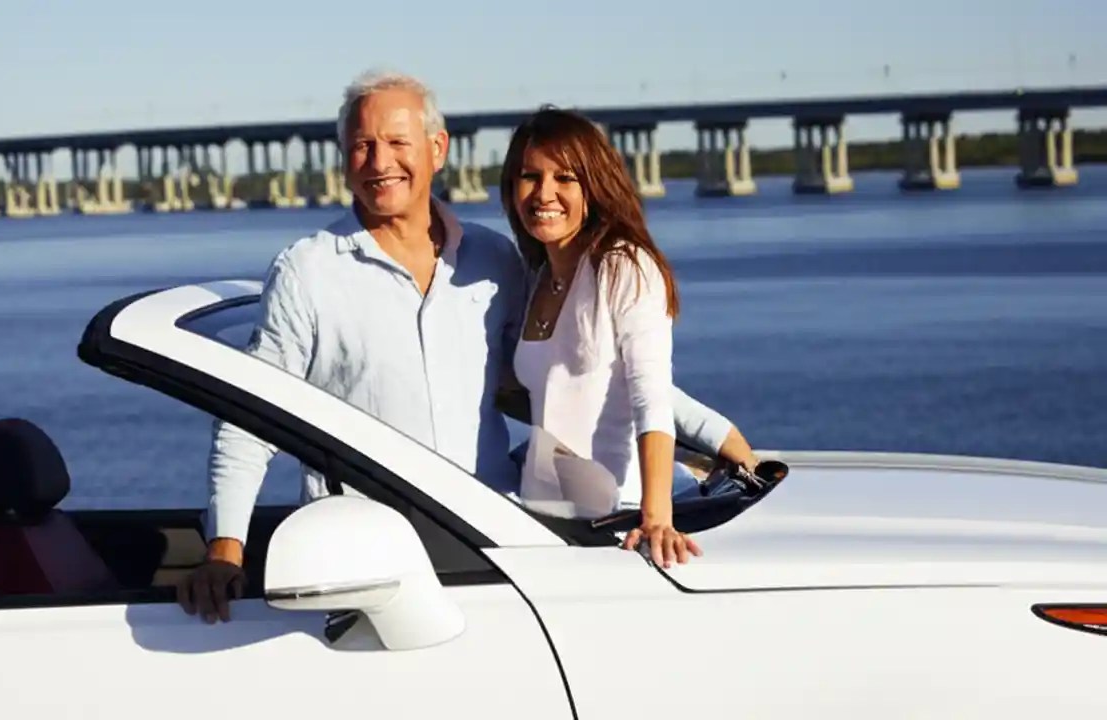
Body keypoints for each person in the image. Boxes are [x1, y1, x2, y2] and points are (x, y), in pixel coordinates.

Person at [178, 70, 756, 623]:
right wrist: (225, 551)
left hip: (493, 548)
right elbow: (248, 420)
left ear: (438, 149)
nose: (380, 162)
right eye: (362, 145)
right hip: (372, 560)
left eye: (397, 141)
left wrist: (715, 437)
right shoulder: (307, 272)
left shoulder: (492, 261)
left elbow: (588, 372)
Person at [498, 106, 756, 570]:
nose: (545, 193)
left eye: (565, 178)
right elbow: (597, 377)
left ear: (593, 186)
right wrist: (720, 435)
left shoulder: (622, 265)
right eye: (530, 176)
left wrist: (658, 517)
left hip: (616, 518)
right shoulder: (538, 276)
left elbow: (649, 393)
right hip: (548, 517)